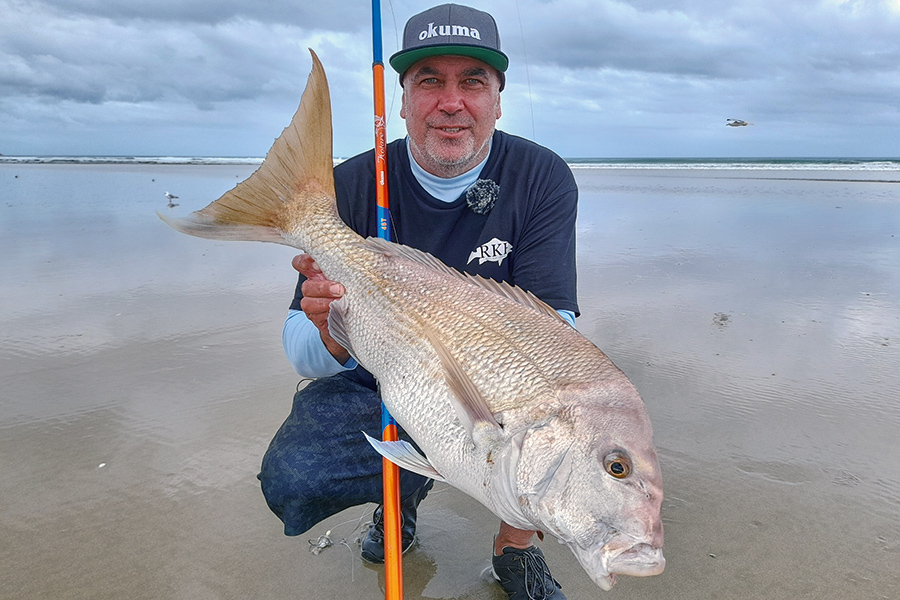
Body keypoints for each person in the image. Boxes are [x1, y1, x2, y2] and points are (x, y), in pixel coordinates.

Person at [257, 5, 578, 599]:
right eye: (430, 79)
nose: (451, 102)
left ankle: (516, 546)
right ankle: (396, 497)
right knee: (294, 477)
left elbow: (556, 332)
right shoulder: (350, 184)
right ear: (401, 98)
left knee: (561, 437)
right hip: (377, 370)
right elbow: (299, 351)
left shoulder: (541, 177)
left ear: (498, 98)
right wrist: (330, 330)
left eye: (472, 81)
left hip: (500, 385)